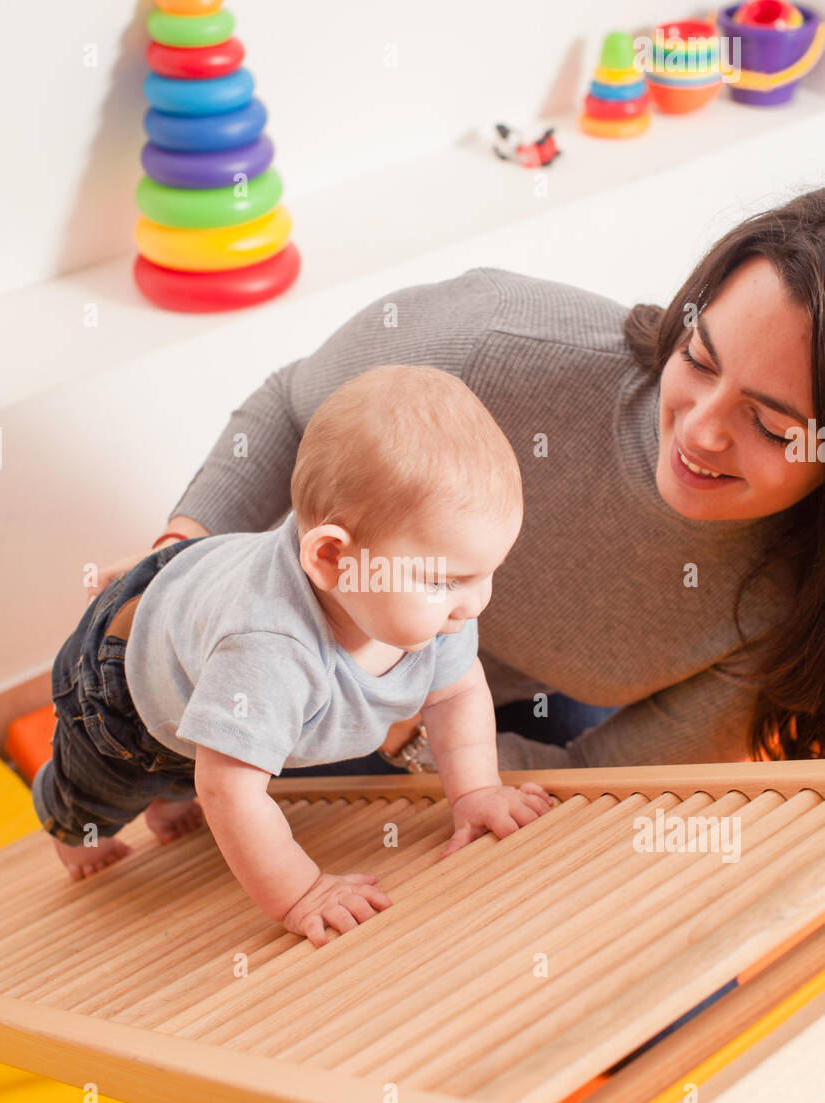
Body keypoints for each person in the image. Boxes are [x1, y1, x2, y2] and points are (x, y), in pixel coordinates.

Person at [94, 188, 825, 776]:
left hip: (486, 720)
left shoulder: (790, 612)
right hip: (316, 654)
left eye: (771, 426)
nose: (700, 430)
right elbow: (291, 407)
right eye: (698, 360)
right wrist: (175, 558)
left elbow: (597, 775)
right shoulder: (495, 344)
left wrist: (417, 735)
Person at [32, 366, 552, 946]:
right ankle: (67, 815)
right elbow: (229, 787)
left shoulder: (434, 605)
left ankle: (170, 800)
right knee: (114, 790)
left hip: (202, 619)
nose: (473, 604)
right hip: (120, 686)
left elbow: (456, 694)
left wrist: (476, 791)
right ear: (331, 558)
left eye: (487, 574)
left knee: (206, 763)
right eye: (448, 580)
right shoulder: (269, 650)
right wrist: (302, 891)